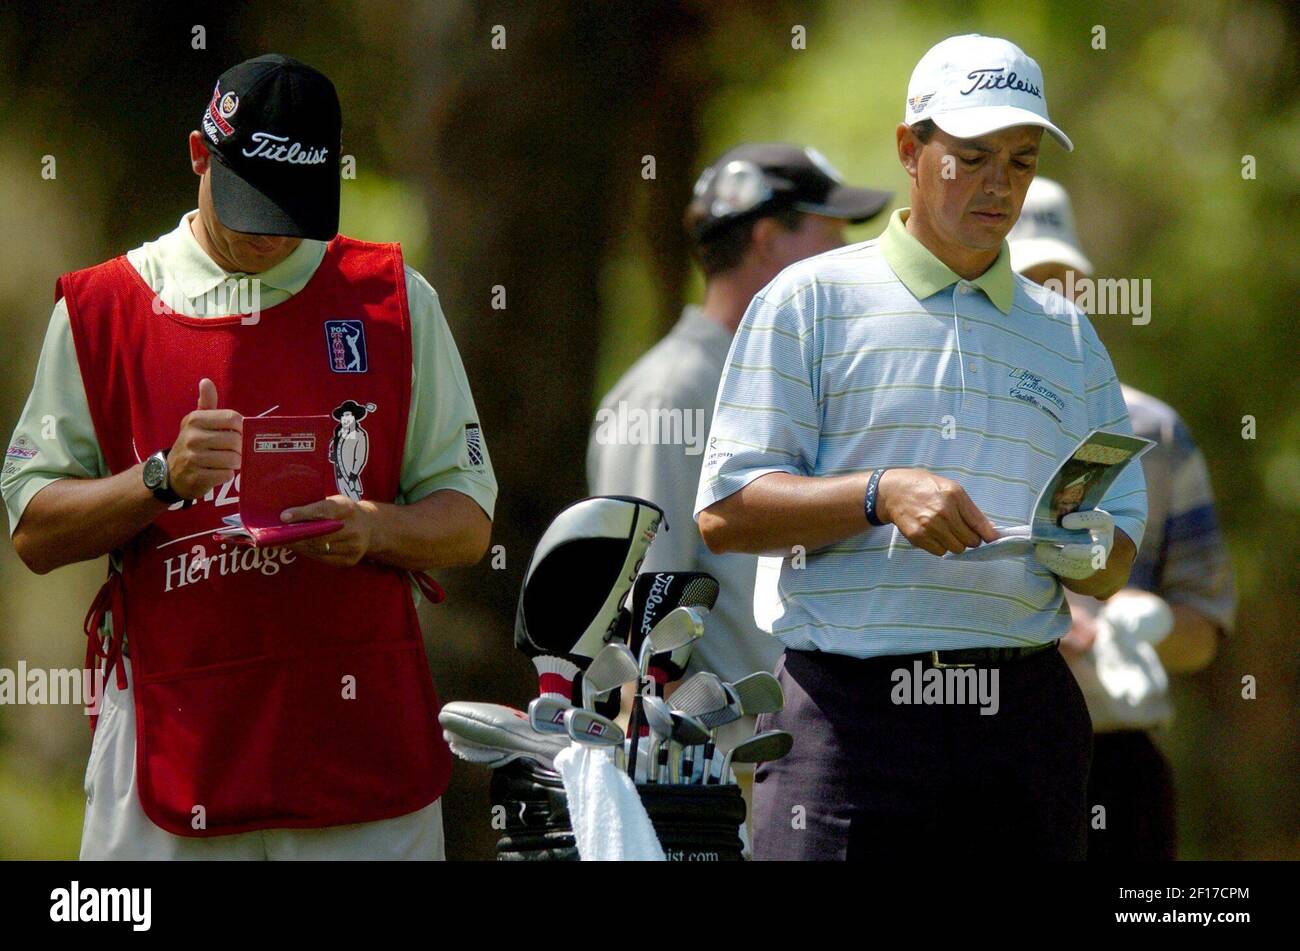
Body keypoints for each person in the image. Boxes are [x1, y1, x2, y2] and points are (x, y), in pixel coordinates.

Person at [2, 54, 498, 860]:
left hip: (358, 748)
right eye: (250, 207)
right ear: (201, 155)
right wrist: (160, 479)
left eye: (292, 211)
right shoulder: (105, 307)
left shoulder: (394, 298)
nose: (270, 234)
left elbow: (469, 521)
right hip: (171, 744)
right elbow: (33, 526)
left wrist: (375, 527)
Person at [694, 34, 1149, 861]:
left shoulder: (1068, 335)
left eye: (1021, 160)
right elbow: (726, 510)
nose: (999, 185)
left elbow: (1115, 553)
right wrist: (879, 494)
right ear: (911, 149)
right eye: (971, 156)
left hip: (1023, 718)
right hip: (849, 722)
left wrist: (1081, 548)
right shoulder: (809, 299)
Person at [588, 143, 891, 816]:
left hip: (798, 767)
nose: (847, 259)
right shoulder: (668, 397)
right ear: (764, 240)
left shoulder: (779, 384)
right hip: (721, 786)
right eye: (830, 234)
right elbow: (641, 620)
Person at [1009, 176, 1236, 860]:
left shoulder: (1154, 434)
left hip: (1118, 767)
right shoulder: (951, 427)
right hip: (987, 751)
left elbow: (1206, 632)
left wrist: (1148, 622)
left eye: (1062, 279)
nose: (1049, 300)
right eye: (1026, 282)